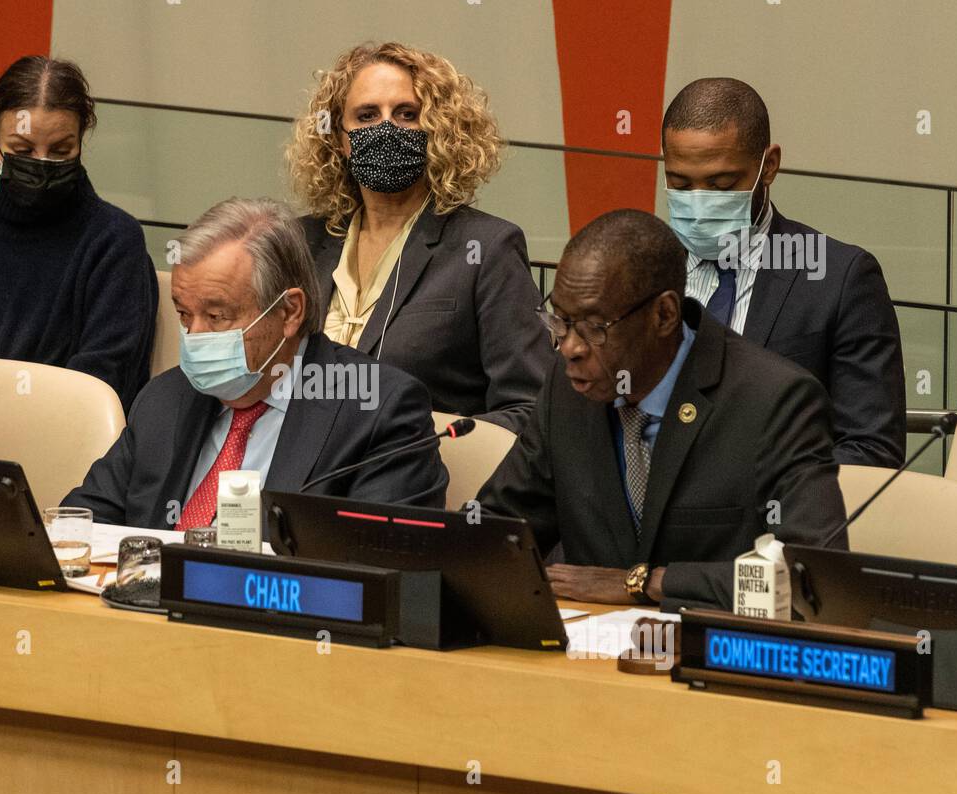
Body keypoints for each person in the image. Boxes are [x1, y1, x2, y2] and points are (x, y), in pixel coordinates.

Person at [478, 209, 847, 611]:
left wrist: (649, 583)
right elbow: (498, 529)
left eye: (594, 327)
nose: (570, 347)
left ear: (664, 315)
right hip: (585, 652)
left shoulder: (775, 401)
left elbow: (808, 577)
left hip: (711, 652)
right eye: (560, 321)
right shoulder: (567, 389)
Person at [63, 197, 448, 527]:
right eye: (183, 315)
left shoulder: (379, 411)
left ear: (289, 311)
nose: (194, 336)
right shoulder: (165, 399)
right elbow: (82, 525)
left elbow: (379, 573)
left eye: (217, 317)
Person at [287, 42, 550, 435]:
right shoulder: (301, 242)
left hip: (420, 483)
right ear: (340, 139)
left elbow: (529, 408)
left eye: (406, 114)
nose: (386, 128)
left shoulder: (486, 247)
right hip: (299, 478)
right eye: (367, 115)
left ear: (436, 129)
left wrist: (427, 444)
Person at [661, 77, 905, 467]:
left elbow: (869, 450)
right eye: (679, 184)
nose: (699, 202)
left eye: (722, 185)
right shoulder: (640, 273)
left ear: (768, 165)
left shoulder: (838, 279)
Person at [0, 55, 157, 410]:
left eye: (60, 150)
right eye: (22, 150)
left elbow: (100, 386)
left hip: (67, 452)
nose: (41, 163)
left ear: (81, 140)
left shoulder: (114, 242)